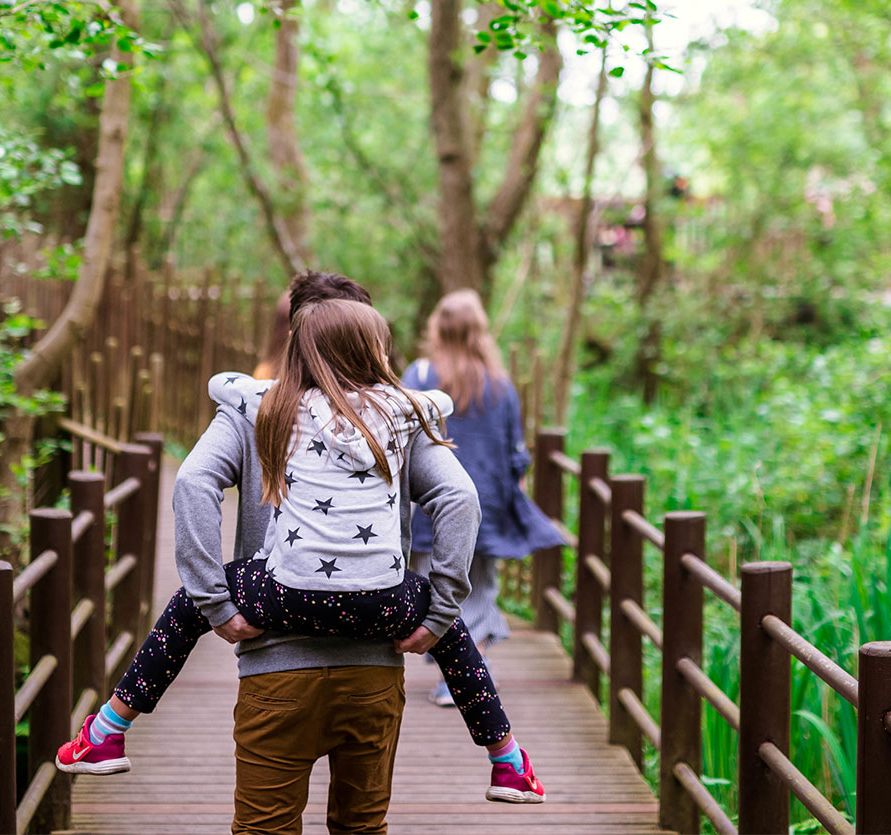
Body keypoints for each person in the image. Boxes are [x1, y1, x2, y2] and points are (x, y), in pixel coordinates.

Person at [56, 273, 547, 831]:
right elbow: (459, 497)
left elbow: (193, 483)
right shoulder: (404, 415)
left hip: (273, 654)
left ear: (297, 341)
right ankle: (507, 761)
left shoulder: (256, 407)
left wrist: (216, 603)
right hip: (378, 651)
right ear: (374, 346)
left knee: (263, 825)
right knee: (362, 826)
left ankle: (107, 732)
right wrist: (438, 612)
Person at [404, 290, 567, 707]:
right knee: (477, 588)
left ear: (437, 329)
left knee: (432, 586)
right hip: (485, 506)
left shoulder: (420, 377)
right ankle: (468, 675)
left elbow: (399, 440)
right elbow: (516, 455)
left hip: (429, 506)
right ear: (480, 332)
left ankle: (451, 676)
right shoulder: (500, 386)